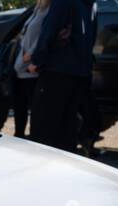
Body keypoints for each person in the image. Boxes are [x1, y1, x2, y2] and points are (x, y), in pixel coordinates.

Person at [29, 0, 95, 151]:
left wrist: (37, 60)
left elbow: (49, 30)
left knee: (43, 127)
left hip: (56, 71)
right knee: (67, 127)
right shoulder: (90, 4)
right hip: (79, 73)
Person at [13, 0, 50, 138]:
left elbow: (44, 35)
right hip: (20, 63)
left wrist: (32, 54)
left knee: (35, 107)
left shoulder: (49, 10)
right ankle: (19, 135)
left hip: (31, 65)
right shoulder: (37, 9)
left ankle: (35, 138)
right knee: (19, 104)